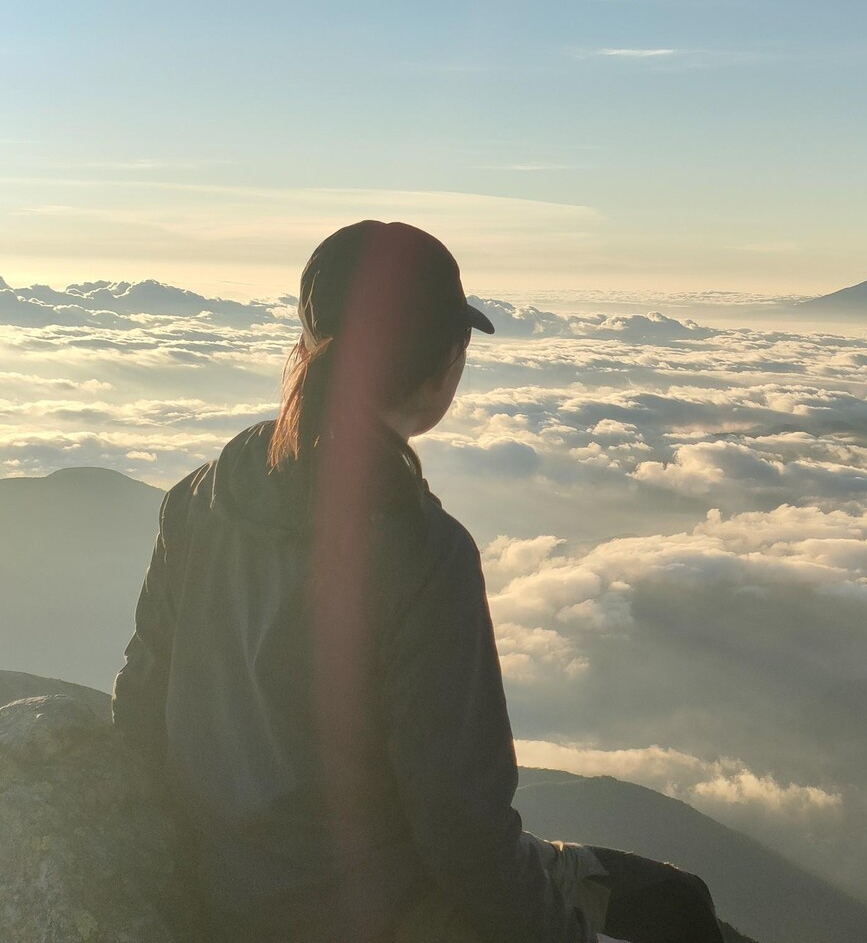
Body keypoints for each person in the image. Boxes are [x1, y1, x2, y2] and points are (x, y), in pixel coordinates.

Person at [111, 221, 724, 943]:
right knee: (679, 907)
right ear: (446, 367)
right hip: (373, 911)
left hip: (227, 889)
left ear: (306, 349)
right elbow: (464, 836)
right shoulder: (423, 556)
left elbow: (140, 708)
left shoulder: (198, 499)